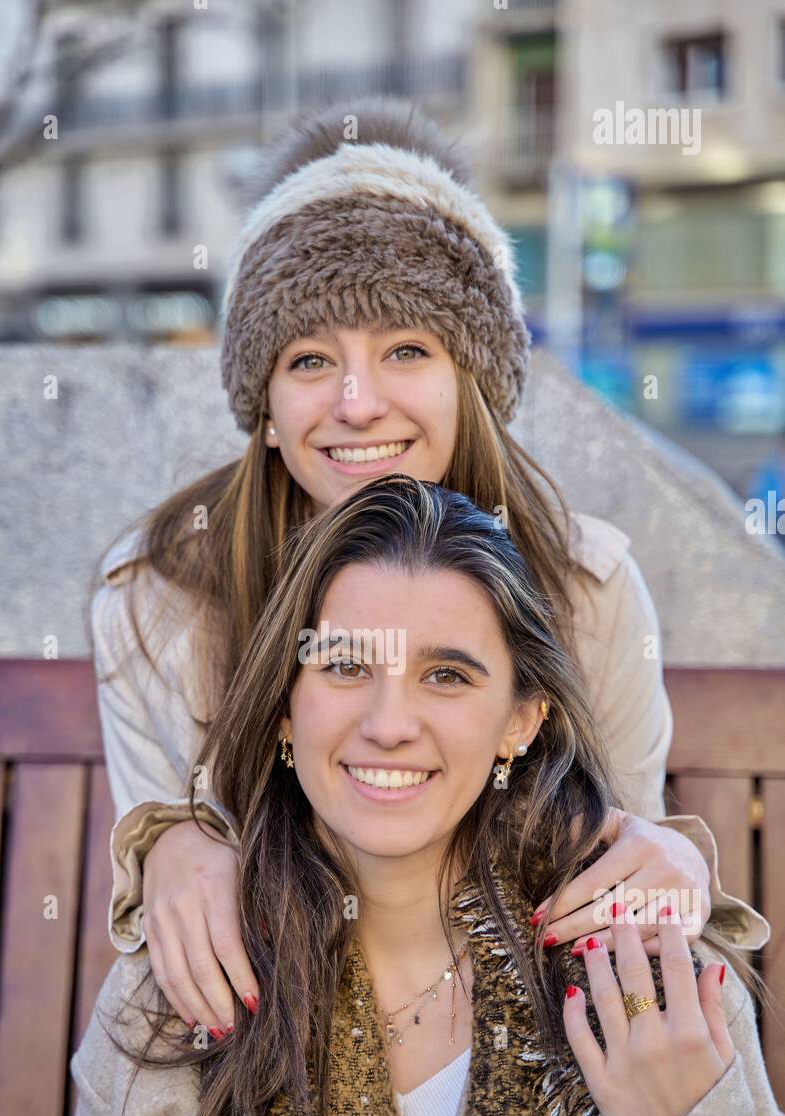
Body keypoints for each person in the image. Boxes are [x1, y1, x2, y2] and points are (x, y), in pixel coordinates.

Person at [90, 95, 768, 1042]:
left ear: (474, 379)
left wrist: (670, 865)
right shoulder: (162, 595)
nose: (358, 404)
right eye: (311, 359)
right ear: (266, 408)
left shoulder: (588, 584)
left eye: (407, 349)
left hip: (514, 1042)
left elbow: (620, 845)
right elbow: (173, 864)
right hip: (270, 1044)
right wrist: (169, 841)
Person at [48, 477, 785, 1116]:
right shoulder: (178, 989)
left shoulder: (650, 979)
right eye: (345, 665)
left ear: (521, 720)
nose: (389, 722)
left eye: (447, 676)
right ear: (286, 709)